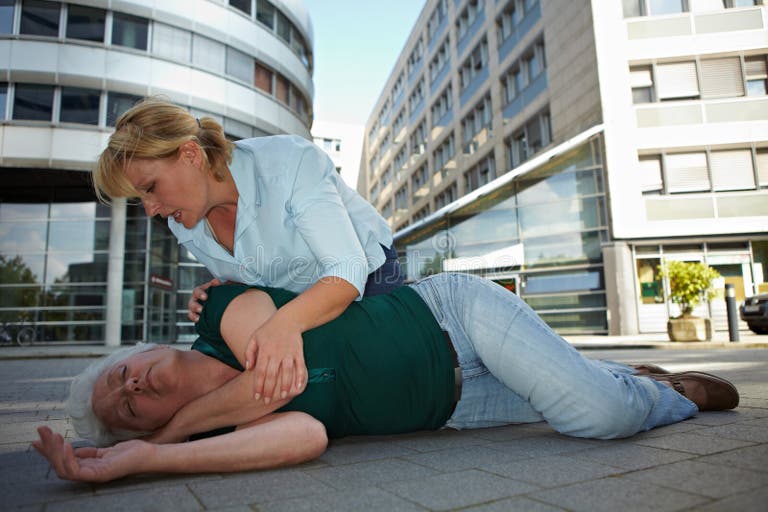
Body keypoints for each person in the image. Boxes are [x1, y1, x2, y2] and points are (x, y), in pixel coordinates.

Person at [34, 273, 739, 483]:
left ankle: (663, 395)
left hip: (452, 319)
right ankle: (641, 378)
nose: (132, 390)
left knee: (603, 420)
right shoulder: (224, 429)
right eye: (127, 411)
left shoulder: (223, 309)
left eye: (122, 376)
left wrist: (172, 428)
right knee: (587, 400)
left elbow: (273, 380)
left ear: (148, 347)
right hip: (457, 407)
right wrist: (151, 457)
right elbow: (304, 434)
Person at [93, 98, 402, 404]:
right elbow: (264, 276)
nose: (149, 210)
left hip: (369, 279)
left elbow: (347, 270)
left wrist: (284, 324)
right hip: (295, 303)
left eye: (150, 188)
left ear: (189, 154)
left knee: (366, 392)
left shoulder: (288, 161)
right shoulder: (182, 224)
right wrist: (233, 288)